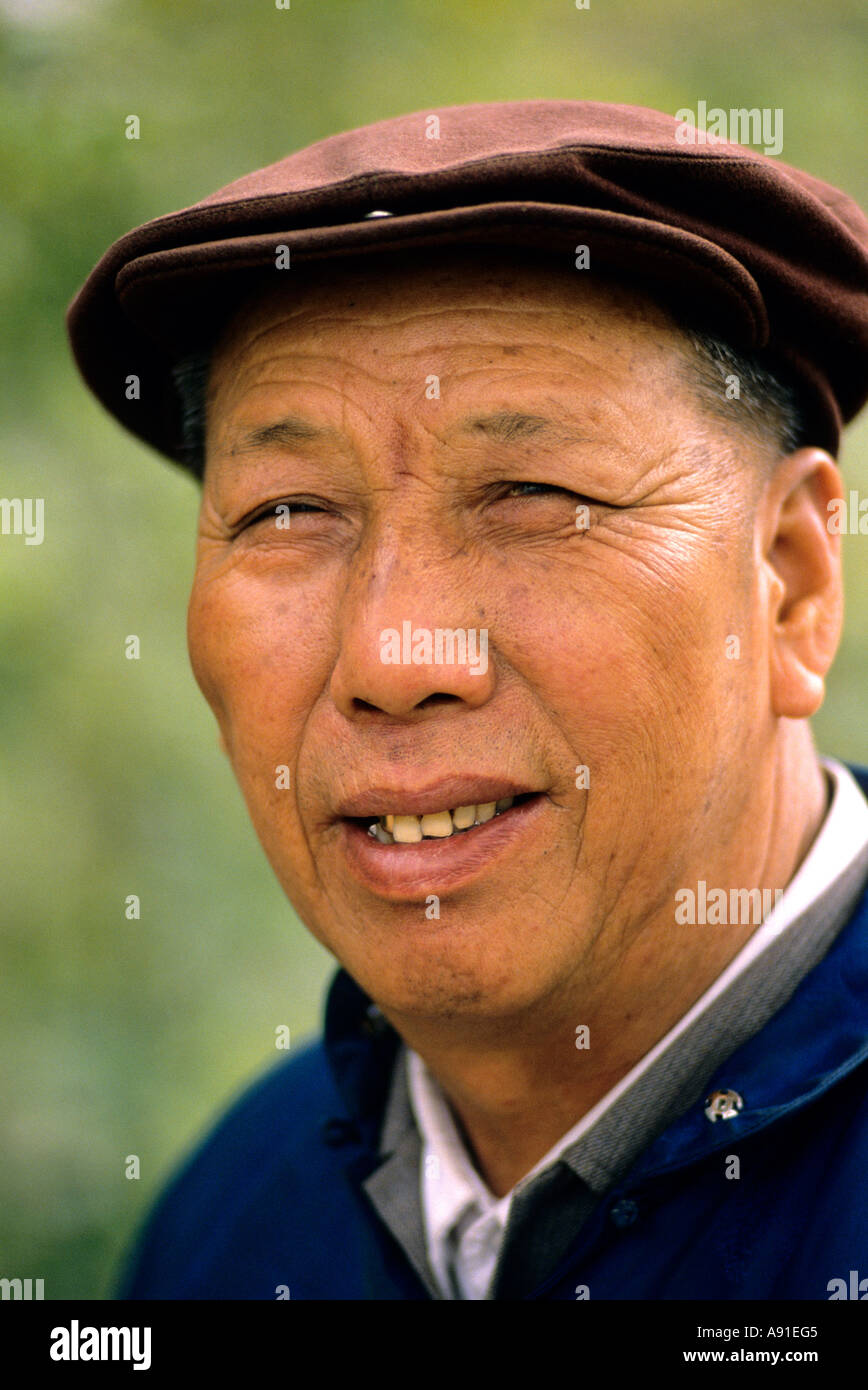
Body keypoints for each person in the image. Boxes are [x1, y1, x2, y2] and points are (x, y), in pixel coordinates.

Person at [67, 101, 868, 1300]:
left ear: (790, 585)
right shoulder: (234, 1217)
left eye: (535, 493)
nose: (394, 657)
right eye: (287, 512)